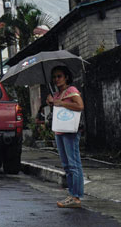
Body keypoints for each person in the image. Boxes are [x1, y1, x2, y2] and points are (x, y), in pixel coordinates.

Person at [46, 65, 84, 209]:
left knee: (74, 164)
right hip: (60, 131)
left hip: (70, 131)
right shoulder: (56, 94)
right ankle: (72, 194)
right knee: (67, 165)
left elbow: (80, 106)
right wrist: (50, 101)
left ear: (66, 77)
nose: (56, 79)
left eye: (59, 76)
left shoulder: (71, 91)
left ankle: (76, 196)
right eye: (54, 77)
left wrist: (61, 102)